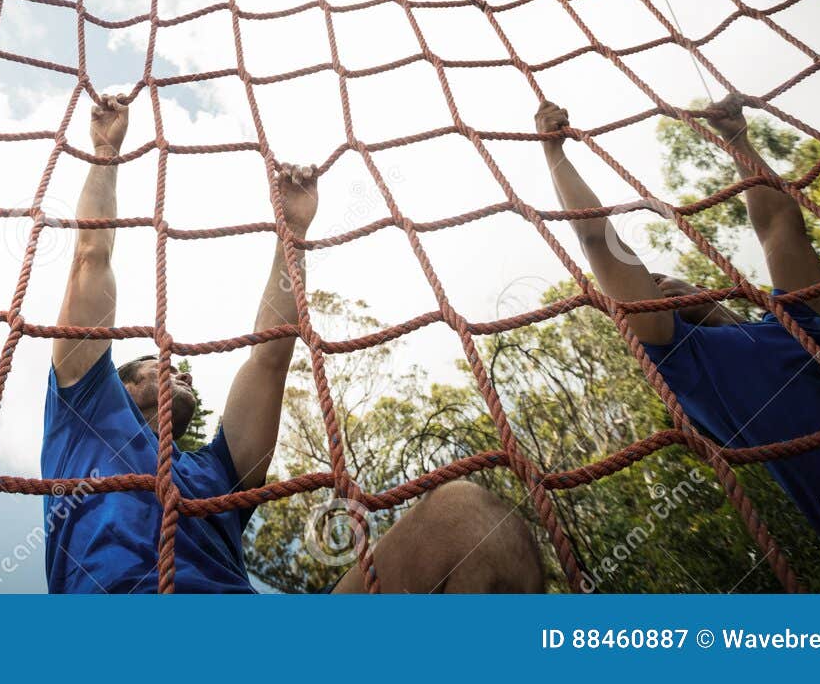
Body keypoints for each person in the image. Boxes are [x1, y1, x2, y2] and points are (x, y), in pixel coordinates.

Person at [42, 94, 543, 593]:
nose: (182, 371)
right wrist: (106, 152)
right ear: (124, 385)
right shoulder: (86, 411)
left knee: (472, 520)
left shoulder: (218, 472)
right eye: (160, 366)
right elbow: (91, 256)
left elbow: (270, 358)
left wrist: (293, 235)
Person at [536, 94, 820, 591]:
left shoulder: (799, 320)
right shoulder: (689, 368)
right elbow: (600, 242)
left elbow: (780, 226)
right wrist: (555, 154)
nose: (659, 285)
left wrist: (739, 140)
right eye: (649, 284)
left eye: (669, 279)